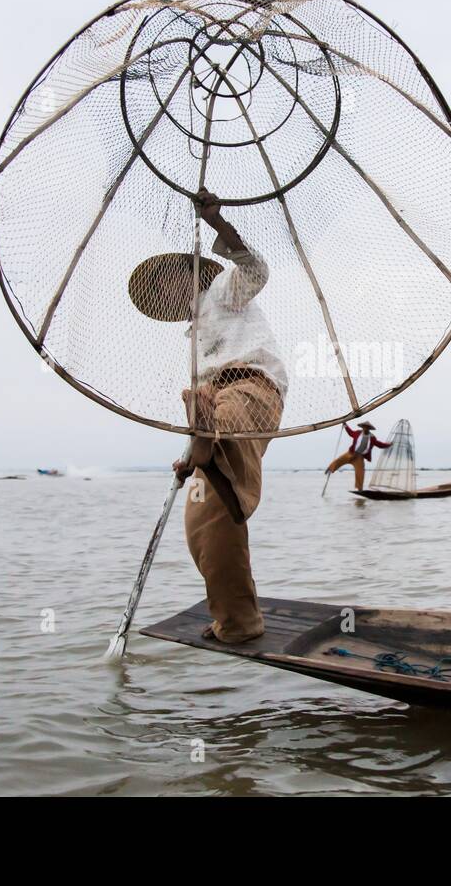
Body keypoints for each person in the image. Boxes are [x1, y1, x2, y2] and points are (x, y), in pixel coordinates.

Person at [129, 188, 286, 644]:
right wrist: (191, 455)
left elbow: (257, 268)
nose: (167, 289)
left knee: (216, 424)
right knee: (201, 519)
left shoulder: (222, 291)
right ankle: (238, 621)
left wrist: (218, 223)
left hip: (251, 388)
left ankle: (206, 444)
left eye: (171, 279)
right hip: (211, 407)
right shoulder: (193, 335)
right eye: (160, 289)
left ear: (190, 273)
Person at [325, 421, 391, 491]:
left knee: (360, 472)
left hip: (359, 457)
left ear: (369, 429)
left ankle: (359, 488)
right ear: (362, 427)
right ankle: (330, 469)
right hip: (351, 453)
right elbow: (350, 433)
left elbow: (379, 444)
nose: (365, 429)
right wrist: (345, 426)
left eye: (367, 428)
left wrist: (388, 445)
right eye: (364, 427)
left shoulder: (372, 438)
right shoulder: (357, 433)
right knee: (339, 460)